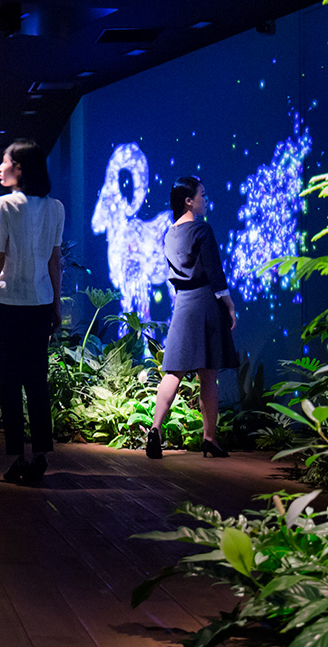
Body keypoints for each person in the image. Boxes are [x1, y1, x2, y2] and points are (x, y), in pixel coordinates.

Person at [0, 139, 65, 483]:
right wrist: (56, 304)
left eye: (5, 162)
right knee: (37, 381)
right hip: (41, 302)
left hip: (8, 304)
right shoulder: (55, 207)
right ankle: (40, 453)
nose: (0, 168)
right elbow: (55, 261)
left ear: (20, 168)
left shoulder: (1, 206)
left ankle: (16, 458)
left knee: (10, 383)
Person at [144, 176, 236, 459]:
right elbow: (214, 272)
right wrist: (229, 304)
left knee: (174, 371)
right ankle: (209, 439)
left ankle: (155, 428)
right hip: (206, 302)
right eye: (202, 195)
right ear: (189, 200)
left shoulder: (170, 233)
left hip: (183, 304)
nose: (205, 200)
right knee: (208, 374)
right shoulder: (202, 230)